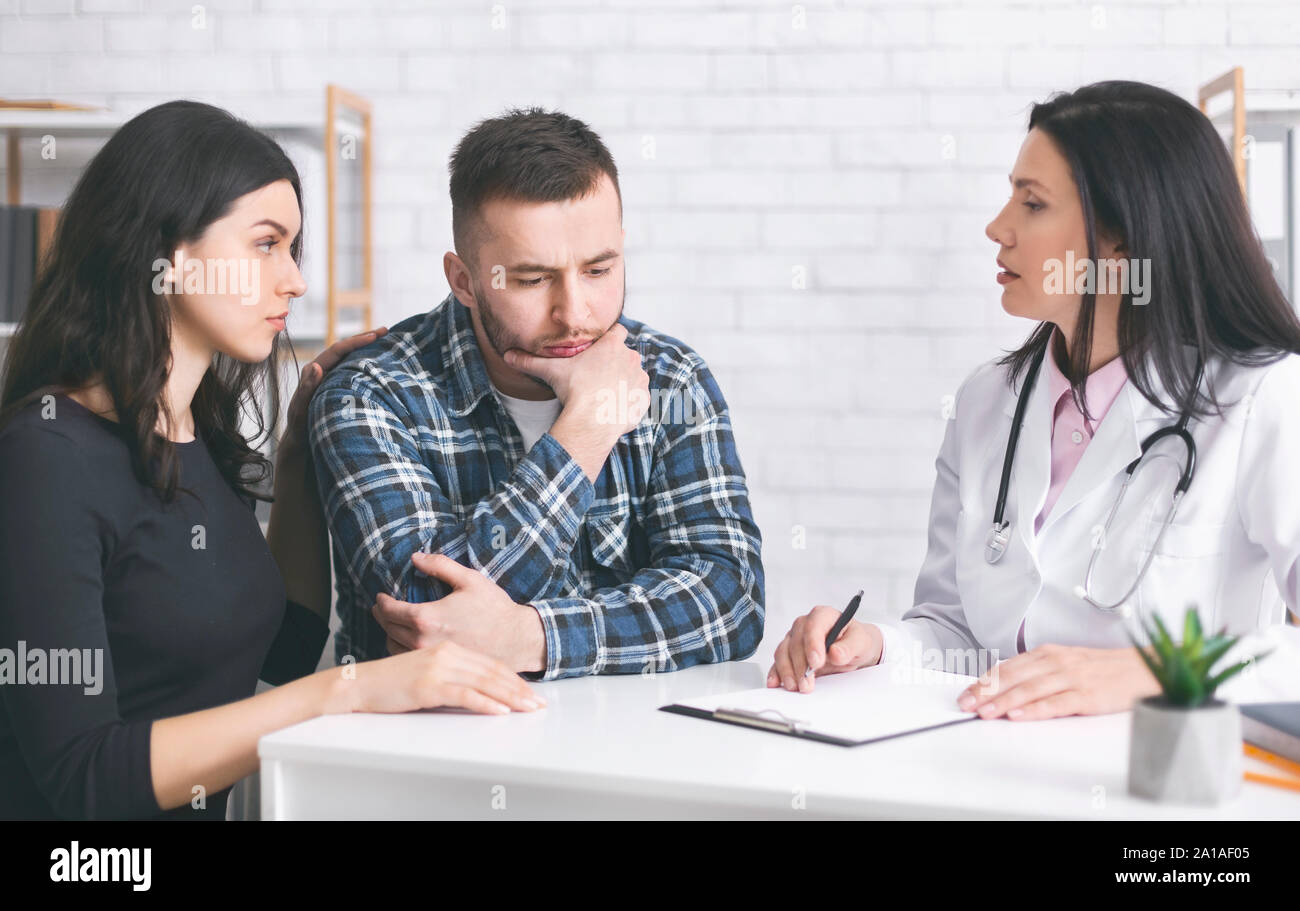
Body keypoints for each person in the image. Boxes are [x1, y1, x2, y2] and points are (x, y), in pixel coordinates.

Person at [0, 101, 542, 821]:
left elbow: (278, 650)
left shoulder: (200, 437)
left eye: (294, 250)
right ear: (166, 251)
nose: (293, 280)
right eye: (266, 244)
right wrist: (347, 689)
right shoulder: (46, 457)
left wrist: (295, 458)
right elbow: (82, 775)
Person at [769, 81, 1300, 719]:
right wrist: (875, 646)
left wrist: (1149, 674)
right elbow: (959, 636)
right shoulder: (985, 403)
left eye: (1033, 203)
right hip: (995, 771)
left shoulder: (1262, 397)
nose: (998, 227)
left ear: (1122, 243)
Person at [308, 108, 764, 679]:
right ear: (464, 280)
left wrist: (535, 637)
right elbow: (428, 610)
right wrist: (587, 429)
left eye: (599, 270)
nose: (575, 314)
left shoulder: (671, 377)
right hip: (432, 757)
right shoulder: (369, 396)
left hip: (631, 753)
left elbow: (732, 596)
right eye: (531, 280)